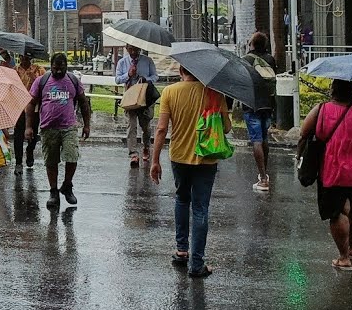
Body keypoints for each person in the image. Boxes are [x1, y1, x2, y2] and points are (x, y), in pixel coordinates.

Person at [150, 63, 231, 279]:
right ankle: (197, 264)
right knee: (201, 208)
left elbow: (161, 129)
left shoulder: (170, 91)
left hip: (178, 156)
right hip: (207, 158)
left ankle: (181, 251)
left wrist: (155, 160)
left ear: (181, 71)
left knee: (182, 200)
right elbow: (227, 127)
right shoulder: (214, 93)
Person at [301, 80, 352, 269]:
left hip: (332, 170)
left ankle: (343, 258)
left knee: (338, 212)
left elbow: (304, 132)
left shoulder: (321, 109)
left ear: (332, 89)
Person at [26, 53, 92, 210]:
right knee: (51, 161)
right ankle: (53, 192)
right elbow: (31, 104)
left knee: (72, 156)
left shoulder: (72, 81)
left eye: (61, 68)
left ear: (66, 67)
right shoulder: (42, 81)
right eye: (55, 68)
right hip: (48, 127)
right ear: (51, 66)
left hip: (69, 127)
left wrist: (87, 125)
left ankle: (67, 185)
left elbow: (83, 103)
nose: (58, 71)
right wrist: (29, 127)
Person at [241, 32, 278, 192]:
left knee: (256, 140)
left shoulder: (245, 60)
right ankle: (264, 173)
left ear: (252, 44)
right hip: (268, 105)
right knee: (264, 138)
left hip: (251, 105)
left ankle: (262, 178)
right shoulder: (270, 59)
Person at [116, 44, 158, 167]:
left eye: (136, 49)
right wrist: (128, 75)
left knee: (146, 126)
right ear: (126, 48)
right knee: (131, 126)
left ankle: (146, 146)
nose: (134, 52)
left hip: (145, 98)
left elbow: (155, 76)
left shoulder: (147, 61)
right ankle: (133, 154)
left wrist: (146, 79)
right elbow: (117, 79)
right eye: (131, 49)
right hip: (130, 98)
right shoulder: (122, 62)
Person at [14, 55, 45, 172]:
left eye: (26, 57)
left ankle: (30, 151)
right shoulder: (15, 70)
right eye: (22, 57)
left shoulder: (39, 70)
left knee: (33, 132)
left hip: (34, 107)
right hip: (19, 107)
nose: (24, 60)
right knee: (18, 135)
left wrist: (34, 78)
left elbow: (44, 85)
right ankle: (18, 162)